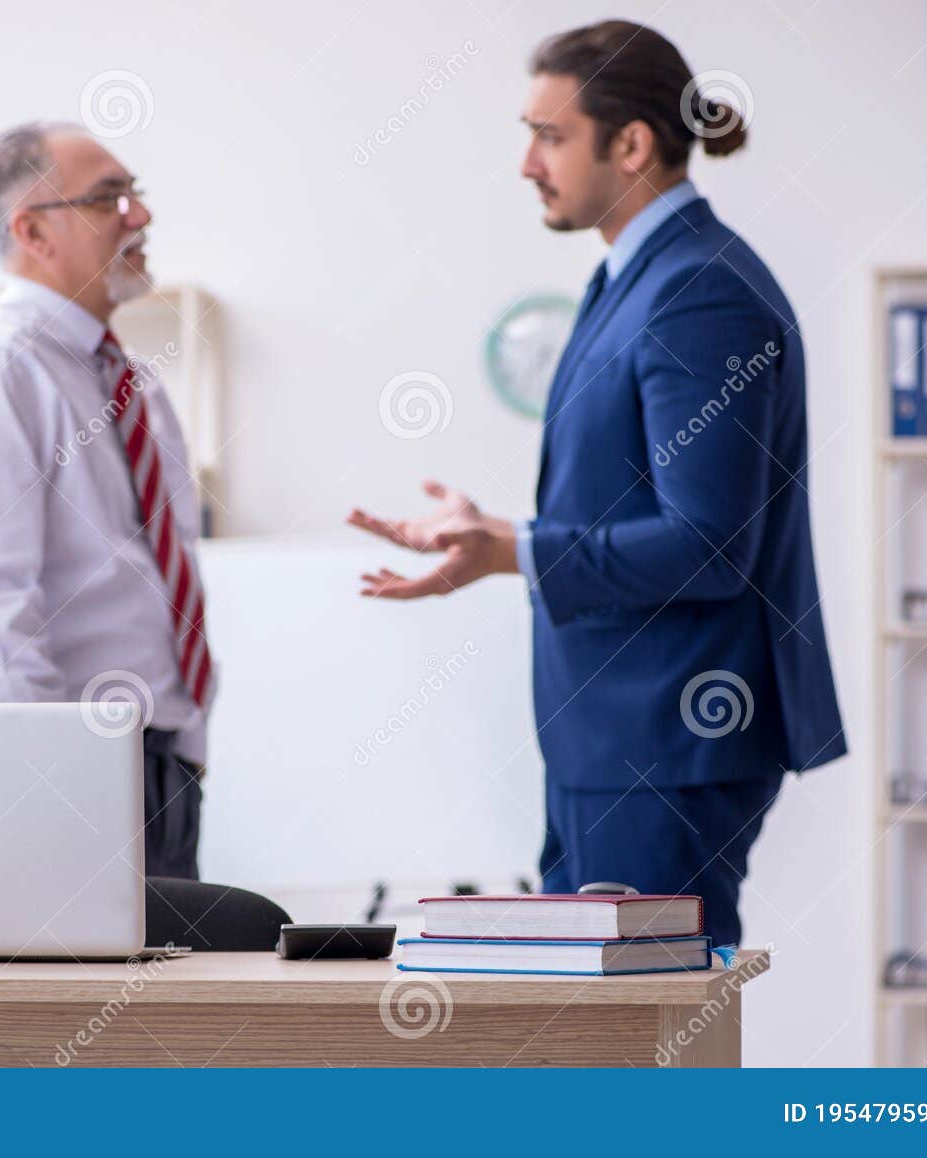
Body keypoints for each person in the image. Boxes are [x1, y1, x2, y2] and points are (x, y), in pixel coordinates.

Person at [347, 21, 845, 946]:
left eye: (549, 135)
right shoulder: (634, 279)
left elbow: (706, 544)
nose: (527, 162)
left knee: (640, 1056)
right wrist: (494, 532)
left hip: (667, 741)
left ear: (632, 143)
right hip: (616, 739)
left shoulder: (700, 293)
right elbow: (632, 506)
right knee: (592, 1048)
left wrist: (513, 551)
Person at [0, 122, 213, 879]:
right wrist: (57, 784)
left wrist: (183, 748)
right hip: (63, 774)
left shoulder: (133, 379)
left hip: (155, 766)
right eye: (110, 197)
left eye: (135, 193)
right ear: (33, 231)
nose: (139, 216)